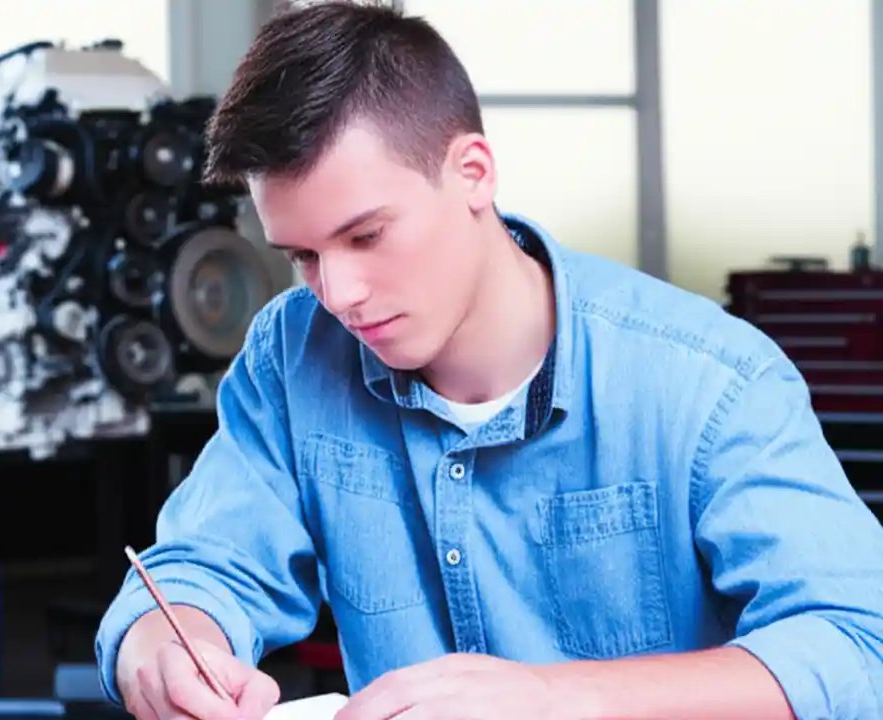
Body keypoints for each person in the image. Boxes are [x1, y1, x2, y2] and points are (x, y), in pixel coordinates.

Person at [94, 2, 883, 718]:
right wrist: (168, 650)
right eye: (302, 254)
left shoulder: (709, 380)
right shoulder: (292, 354)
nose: (337, 292)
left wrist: (555, 700)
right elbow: (203, 568)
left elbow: (860, 647)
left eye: (366, 235)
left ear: (472, 173)